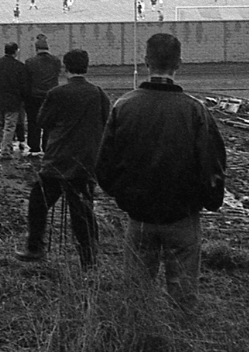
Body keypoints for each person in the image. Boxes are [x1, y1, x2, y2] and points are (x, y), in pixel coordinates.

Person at [96, 33, 227, 306]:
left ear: (146, 62)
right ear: (179, 64)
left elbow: (105, 165)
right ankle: (180, 344)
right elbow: (213, 165)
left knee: (136, 295)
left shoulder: (124, 106)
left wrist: (126, 197)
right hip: (182, 218)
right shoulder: (195, 110)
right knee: (182, 299)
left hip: (140, 217)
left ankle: (138, 343)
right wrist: (205, 201)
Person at [16, 49, 109, 266]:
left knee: (38, 202)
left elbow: (43, 121)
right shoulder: (98, 94)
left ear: (65, 68)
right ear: (87, 67)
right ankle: (89, 259)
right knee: (83, 212)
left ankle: (35, 247)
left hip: (58, 161)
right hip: (85, 162)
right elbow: (106, 123)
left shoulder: (57, 93)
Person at [0, 42, 31, 161]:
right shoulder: (19, 66)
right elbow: (24, 86)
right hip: (13, 102)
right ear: (15, 51)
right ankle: (5, 150)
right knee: (9, 126)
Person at [23, 34, 62, 157]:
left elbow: (27, 80)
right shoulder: (56, 61)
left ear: (36, 49)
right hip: (51, 95)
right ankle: (47, 146)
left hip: (34, 96)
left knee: (33, 122)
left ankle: (34, 146)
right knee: (49, 122)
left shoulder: (30, 62)